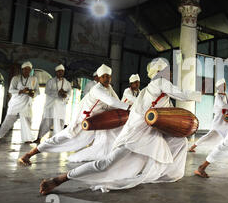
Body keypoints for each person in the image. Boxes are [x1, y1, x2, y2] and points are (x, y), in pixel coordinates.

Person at [39, 58, 201, 195]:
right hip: (137, 134)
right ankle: (60, 179)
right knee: (107, 164)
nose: (170, 73)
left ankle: (168, 173)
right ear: (160, 72)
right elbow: (183, 95)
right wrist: (202, 92)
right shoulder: (159, 83)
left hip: (151, 134)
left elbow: (169, 113)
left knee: (180, 142)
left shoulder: (158, 92)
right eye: (167, 70)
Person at [18, 64, 130, 166]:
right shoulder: (97, 89)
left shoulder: (109, 88)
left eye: (108, 76)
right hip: (84, 121)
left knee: (95, 140)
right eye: (104, 76)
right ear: (99, 78)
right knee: (62, 138)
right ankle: (28, 155)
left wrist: (128, 107)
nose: (107, 78)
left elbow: (116, 100)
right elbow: (111, 101)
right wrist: (129, 107)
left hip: (96, 121)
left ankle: (109, 159)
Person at [0, 61, 40, 145]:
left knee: (27, 121)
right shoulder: (16, 78)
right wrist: (21, 91)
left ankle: (27, 139)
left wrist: (32, 94)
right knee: (8, 121)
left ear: (30, 70)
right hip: (15, 103)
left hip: (26, 103)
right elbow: (10, 90)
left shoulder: (34, 79)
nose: (27, 71)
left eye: (29, 69)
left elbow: (37, 91)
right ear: (22, 70)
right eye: (25, 69)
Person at [189, 78, 228, 152]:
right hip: (218, 121)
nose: (223, 87)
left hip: (227, 121)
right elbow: (222, 105)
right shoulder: (217, 96)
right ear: (218, 87)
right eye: (221, 86)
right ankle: (192, 147)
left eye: (224, 85)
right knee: (209, 136)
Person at [33, 64, 72, 144]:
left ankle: (57, 141)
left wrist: (65, 95)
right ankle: (39, 138)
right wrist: (58, 93)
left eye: (62, 71)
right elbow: (47, 91)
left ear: (63, 72)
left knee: (59, 125)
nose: (60, 73)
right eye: (58, 71)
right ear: (56, 72)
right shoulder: (50, 81)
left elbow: (69, 93)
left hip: (60, 107)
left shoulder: (67, 83)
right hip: (50, 106)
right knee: (45, 123)